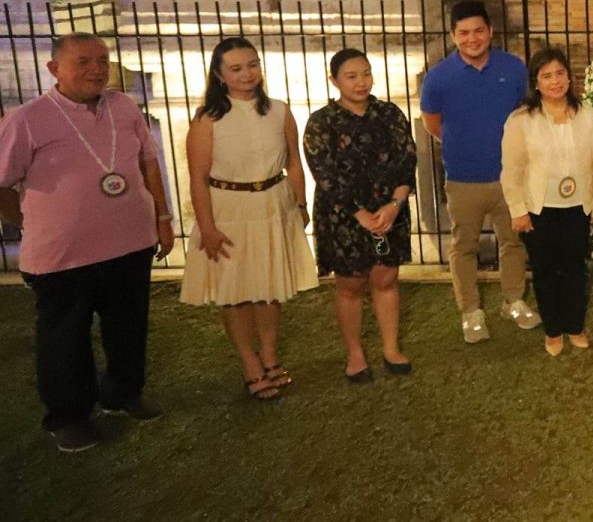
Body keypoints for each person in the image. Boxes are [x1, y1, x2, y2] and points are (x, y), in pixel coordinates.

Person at [0, 34, 175, 452]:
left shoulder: (123, 106)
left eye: (102, 60)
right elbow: (2, 182)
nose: (97, 69)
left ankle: (123, 392)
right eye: (83, 61)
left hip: (130, 243)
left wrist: (162, 217)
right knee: (65, 337)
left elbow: (148, 162)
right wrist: (28, 222)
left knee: (128, 327)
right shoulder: (28, 119)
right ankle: (69, 416)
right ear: (54, 69)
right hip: (63, 256)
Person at [180, 37, 318, 400]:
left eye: (252, 65)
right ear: (219, 75)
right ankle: (249, 361)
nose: (247, 74)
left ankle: (270, 355)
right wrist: (207, 227)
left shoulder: (279, 110)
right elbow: (197, 178)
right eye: (236, 68)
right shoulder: (208, 119)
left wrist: (300, 205)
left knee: (269, 287)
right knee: (235, 291)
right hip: (228, 210)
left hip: (273, 205)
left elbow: (294, 162)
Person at [420, 0, 538, 343]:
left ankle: (513, 300)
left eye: (478, 31)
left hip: (509, 177)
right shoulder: (438, 77)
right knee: (464, 246)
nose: (472, 39)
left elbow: (524, 114)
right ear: (453, 35)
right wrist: (463, 143)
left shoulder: (513, 68)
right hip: (463, 178)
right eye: (464, 33)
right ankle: (470, 310)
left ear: (490, 31)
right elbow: (432, 123)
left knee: (512, 241)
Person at [304, 48, 418, 383]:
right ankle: (355, 354)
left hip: (389, 210)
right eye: (351, 76)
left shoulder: (389, 114)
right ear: (334, 80)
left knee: (386, 278)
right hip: (344, 215)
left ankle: (391, 348)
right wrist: (360, 213)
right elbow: (324, 173)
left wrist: (394, 205)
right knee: (350, 284)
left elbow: (407, 159)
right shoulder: (322, 122)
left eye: (366, 74)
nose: (361, 82)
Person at [501, 47, 593, 356]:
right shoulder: (521, 121)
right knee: (545, 271)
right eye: (547, 76)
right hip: (538, 208)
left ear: (569, 77)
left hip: (578, 207)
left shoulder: (588, 117)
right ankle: (553, 331)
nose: (555, 81)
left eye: (560, 74)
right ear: (535, 82)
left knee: (575, 269)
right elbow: (511, 170)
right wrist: (518, 210)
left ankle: (575, 326)